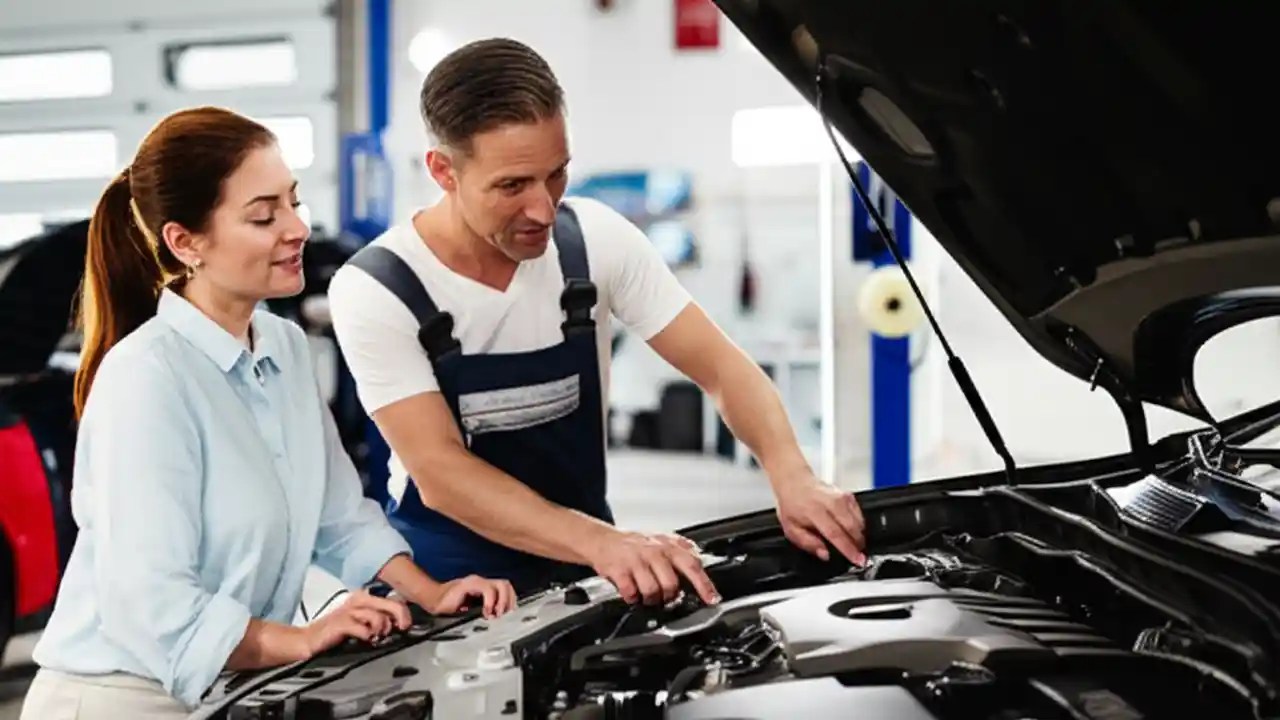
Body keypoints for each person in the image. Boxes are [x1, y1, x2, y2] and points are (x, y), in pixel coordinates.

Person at [327, 38, 867, 607]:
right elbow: (439, 472)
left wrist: (792, 473)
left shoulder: (594, 241)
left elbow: (723, 368)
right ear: (444, 171)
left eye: (556, 174)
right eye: (512, 186)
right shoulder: (376, 287)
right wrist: (606, 544)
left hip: (583, 572)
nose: (543, 208)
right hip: (448, 586)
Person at [20, 106, 516, 720]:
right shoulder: (146, 379)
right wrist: (301, 639)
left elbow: (336, 513)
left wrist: (431, 594)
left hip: (224, 689)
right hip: (115, 700)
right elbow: (152, 600)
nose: (296, 227)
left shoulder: (282, 347)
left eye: (293, 202)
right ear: (185, 242)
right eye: (263, 214)